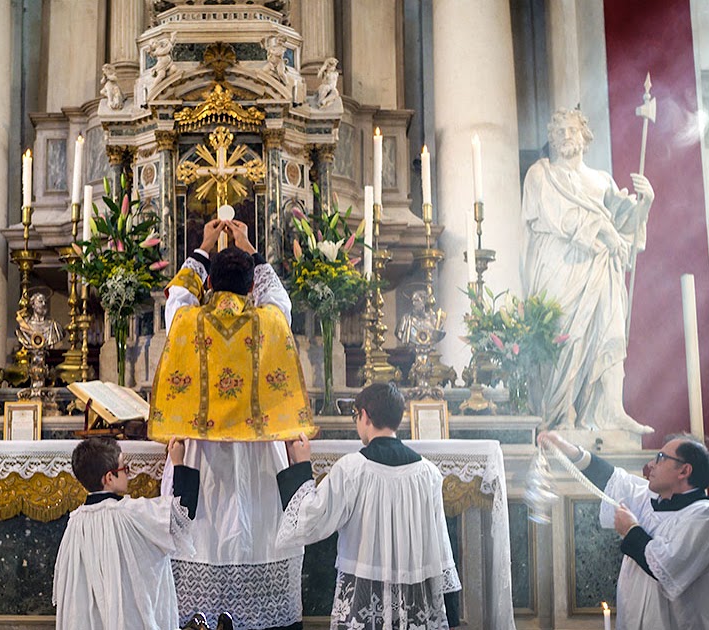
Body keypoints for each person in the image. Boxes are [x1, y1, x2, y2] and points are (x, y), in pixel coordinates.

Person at [150, 219, 314, 630]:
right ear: (251, 287)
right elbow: (281, 298)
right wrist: (251, 249)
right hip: (261, 455)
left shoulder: (188, 321)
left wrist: (202, 250)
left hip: (201, 456)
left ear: (209, 283)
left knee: (203, 534)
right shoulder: (270, 321)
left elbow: (177, 297)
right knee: (258, 532)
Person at [275, 383, 461, 629]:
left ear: (364, 415)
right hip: (414, 598)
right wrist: (451, 606)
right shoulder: (428, 473)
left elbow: (308, 521)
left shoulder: (351, 469)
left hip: (364, 600)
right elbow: (440, 545)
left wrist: (301, 465)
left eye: (356, 416)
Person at [522, 108, 655, 434]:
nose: (567, 136)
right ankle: (561, 412)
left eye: (573, 130)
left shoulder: (601, 181)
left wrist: (646, 202)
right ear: (552, 140)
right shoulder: (542, 174)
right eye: (560, 131)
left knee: (607, 332)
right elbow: (554, 215)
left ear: (584, 137)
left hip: (600, 269)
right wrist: (602, 230)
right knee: (562, 335)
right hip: (559, 267)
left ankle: (610, 410)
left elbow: (625, 228)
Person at [537, 431, 709, 628]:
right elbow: (611, 478)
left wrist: (631, 530)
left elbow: (666, 569)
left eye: (661, 457)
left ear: (684, 470)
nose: (650, 464)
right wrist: (565, 447)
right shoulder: (650, 498)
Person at [53, 436, 200, 630]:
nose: (128, 475)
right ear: (109, 478)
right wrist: (178, 462)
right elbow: (182, 513)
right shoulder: (129, 513)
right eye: (124, 468)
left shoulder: (75, 522)